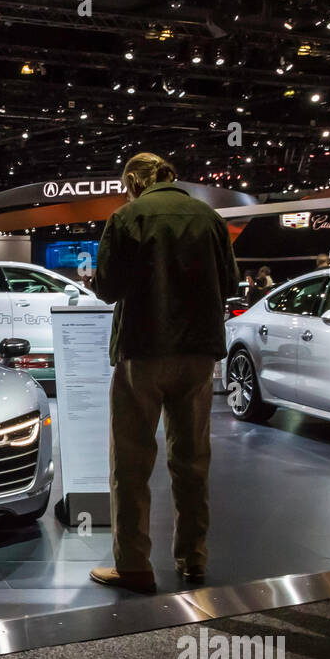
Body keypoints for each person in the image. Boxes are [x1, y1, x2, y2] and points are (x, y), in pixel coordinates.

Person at [89, 152, 238, 593]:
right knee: (192, 461)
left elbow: (107, 289)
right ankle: (193, 560)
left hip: (143, 350)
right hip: (197, 354)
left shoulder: (127, 217)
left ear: (135, 180)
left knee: (130, 463)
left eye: (125, 184)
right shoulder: (209, 218)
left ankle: (134, 566)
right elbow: (229, 284)